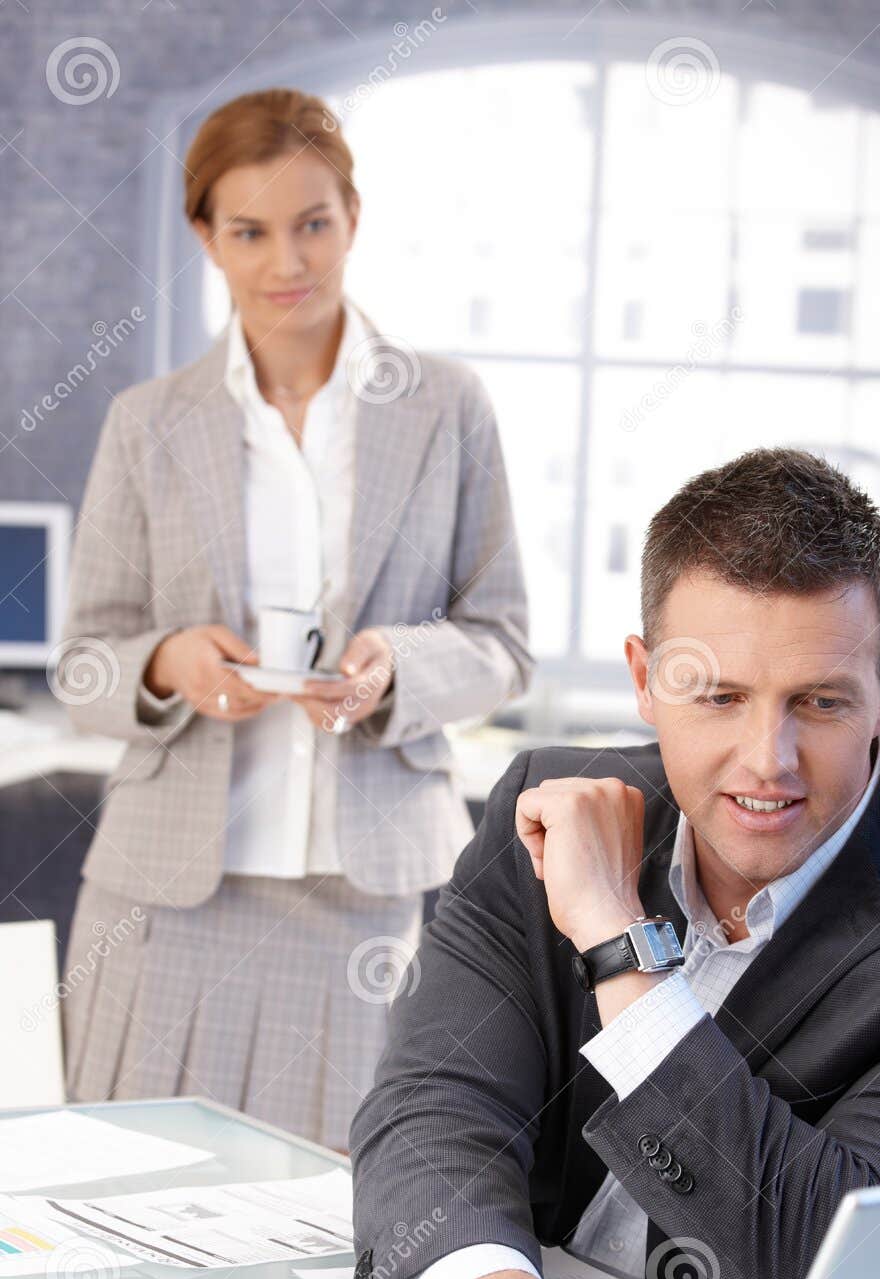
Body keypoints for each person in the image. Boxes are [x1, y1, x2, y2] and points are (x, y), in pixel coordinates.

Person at [350, 446, 880, 1279]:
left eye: (817, 701)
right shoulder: (542, 807)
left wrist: (616, 941)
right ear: (643, 680)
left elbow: (828, 1271)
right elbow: (432, 1102)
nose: (765, 762)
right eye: (718, 696)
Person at [58, 88, 531, 1149]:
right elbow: (84, 665)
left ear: (352, 219)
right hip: (166, 900)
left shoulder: (444, 406)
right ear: (205, 238)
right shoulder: (148, 424)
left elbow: (501, 642)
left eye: (313, 223)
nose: (288, 261)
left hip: (361, 900)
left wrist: (392, 671)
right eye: (250, 231)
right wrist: (171, 663)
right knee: (127, 1200)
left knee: (342, 1207)